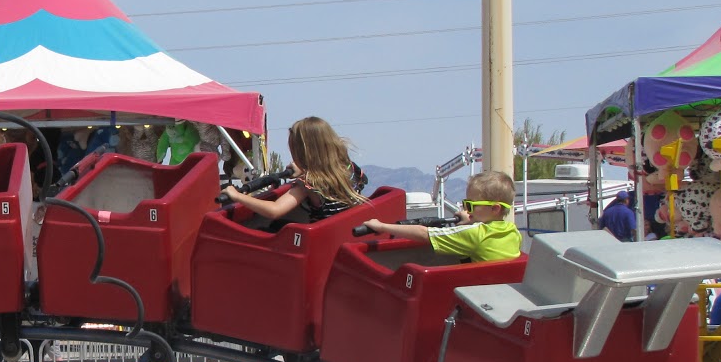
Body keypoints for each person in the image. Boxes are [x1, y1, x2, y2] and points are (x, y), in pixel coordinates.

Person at [221, 116, 367, 229]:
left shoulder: (308, 184)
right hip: (346, 233)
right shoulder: (351, 169)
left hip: (320, 242)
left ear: (303, 152)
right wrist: (304, 170)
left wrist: (237, 196)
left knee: (270, 228)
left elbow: (274, 210)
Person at [363, 170, 521, 263]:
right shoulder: (512, 232)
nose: (467, 210)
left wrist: (381, 226)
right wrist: (469, 221)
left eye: (470, 205)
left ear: (495, 208)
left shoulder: (475, 234)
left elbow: (423, 233)